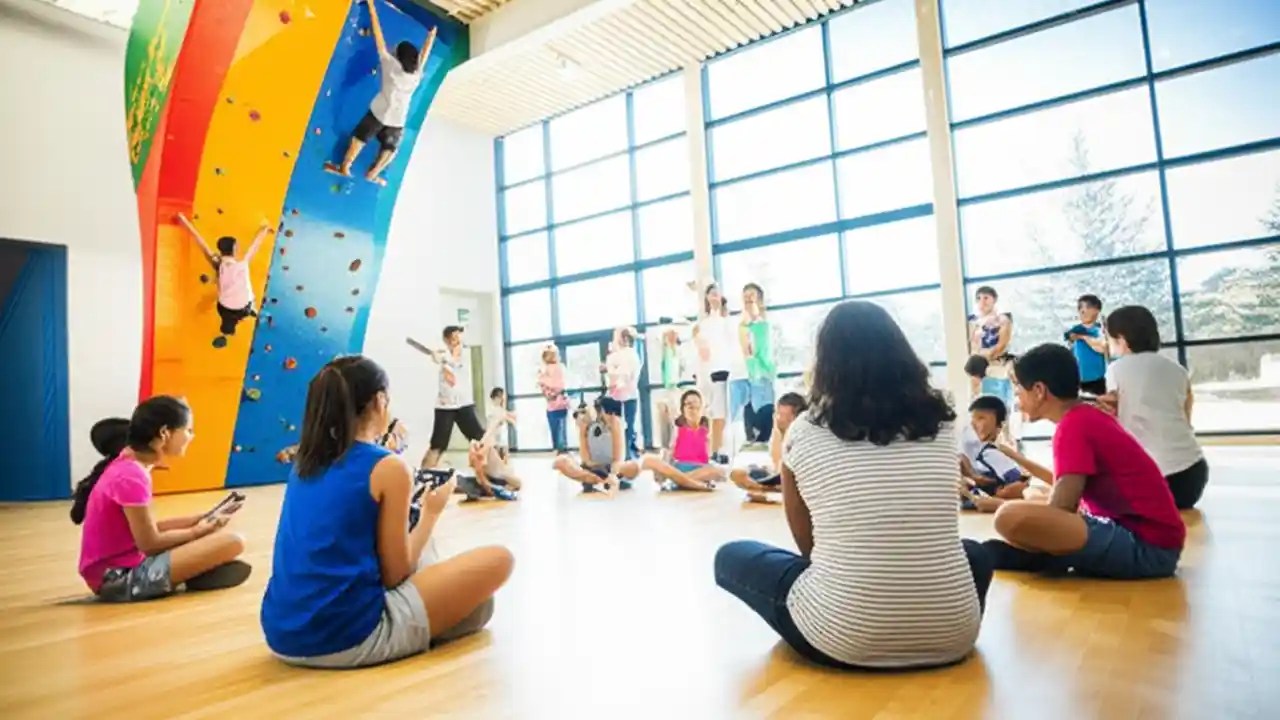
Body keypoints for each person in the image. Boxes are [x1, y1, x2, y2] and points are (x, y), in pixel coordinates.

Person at [714, 300, 992, 670]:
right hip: (957, 634)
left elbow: (808, 546)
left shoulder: (807, 428)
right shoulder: (942, 418)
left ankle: (853, 610)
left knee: (730, 557)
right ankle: (928, 617)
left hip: (843, 639)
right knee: (975, 552)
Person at [261, 355, 514, 668]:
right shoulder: (387, 466)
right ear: (380, 401)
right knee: (500, 561)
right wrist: (432, 512)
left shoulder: (305, 462)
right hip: (344, 638)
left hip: (281, 633)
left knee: (476, 602)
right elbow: (396, 575)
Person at [982, 344, 1186, 579]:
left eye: (1018, 391)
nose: (1017, 401)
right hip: (1154, 543)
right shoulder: (1084, 417)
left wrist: (997, 505)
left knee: (1008, 517)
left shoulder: (1074, 426)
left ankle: (1046, 558)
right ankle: (1048, 557)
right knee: (1033, 498)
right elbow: (1063, 485)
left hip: (1149, 548)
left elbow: (1061, 508)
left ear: (1039, 390)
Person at [74, 399, 250, 602]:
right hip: (117, 579)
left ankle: (185, 574)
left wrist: (199, 519)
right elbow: (150, 543)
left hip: (109, 572)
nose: (191, 436)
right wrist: (197, 531)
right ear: (165, 433)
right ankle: (185, 576)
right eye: (188, 430)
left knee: (207, 539)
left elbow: (149, 529)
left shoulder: (127, 464)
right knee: (234, 542)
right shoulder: (132, 476)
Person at [1097, 305, 1208, 510]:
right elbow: (1186, 417)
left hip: (1155, 482)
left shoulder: (1116, 369)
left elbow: (1115, 418)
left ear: (1121, 339)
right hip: (1193, 476)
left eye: (1109, 338)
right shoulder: (1178, 370)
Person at [325, 0, 436, 186]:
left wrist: (371, 6)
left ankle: (345, 166)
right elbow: (424, 56)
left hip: (379, 112)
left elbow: (378, 36)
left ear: (398, 56)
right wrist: (431, 38)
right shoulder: (416, 74)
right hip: (397, 120)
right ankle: (374, 172)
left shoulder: (389, 64)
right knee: (390, 149)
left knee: (360, 138)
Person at [175, 213, 270, 340]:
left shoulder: (217, 263)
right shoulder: (242, 265)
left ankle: (234, 322)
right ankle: (245, 314)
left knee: (238, 306)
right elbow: (255, 246)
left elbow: (201, 241)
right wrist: (264, 229)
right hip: (229, 308)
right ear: (235, 249)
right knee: (247, 298)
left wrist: (184, 221)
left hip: (231, 308)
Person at [958, 396, 1053, 513]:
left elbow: (1017, 482)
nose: (973, 424)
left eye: (981, 418)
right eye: (973, 419)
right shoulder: (973, 449)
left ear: (999, 425)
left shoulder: (997, 452)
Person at [410, 326, 486, 470]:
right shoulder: (442, 353)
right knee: (438, 446)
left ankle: (495, 475)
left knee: (481, 439)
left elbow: (454, 368)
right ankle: (422, 478)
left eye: (459, 338)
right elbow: (445, 368)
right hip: (445, 406)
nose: (458, 341)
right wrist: (439, 358)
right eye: (454, 338)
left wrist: (444, 359)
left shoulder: (465, 353)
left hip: (464, 404)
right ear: (446, 340)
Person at [551, 397, 640, 495]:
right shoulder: (589, 426)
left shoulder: (616, 424)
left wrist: (613, 474)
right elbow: (585, 459)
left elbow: (618, 459)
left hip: (612, 468)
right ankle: (598, 482)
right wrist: (583, 430)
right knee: (560, 461)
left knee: (634, 467)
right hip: (592, 469)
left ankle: (602, 482)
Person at [730, 392, 806, 504]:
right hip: (777, 476)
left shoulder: (803, 435)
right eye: (778, 414)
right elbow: (776, 461)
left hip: (794, 478)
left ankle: (768, 492)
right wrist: (777, 429)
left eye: (785, 416)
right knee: (736, 474)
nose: (780, 419)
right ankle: (769, 490)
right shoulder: (780, 430)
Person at [641, 390, 724, 491]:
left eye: (697, 405)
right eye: (689, 405)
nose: (693, 410)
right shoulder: (676, 428)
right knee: (652, 462)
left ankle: (681, 482)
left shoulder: (708, 429)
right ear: (683, 409)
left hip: (700, 470)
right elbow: (662, 408)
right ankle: (689, 482)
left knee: (718, 471)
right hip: (677, 469)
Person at [694, 283, 741, 464]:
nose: (714, 297)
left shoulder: (728, 321)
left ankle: (720, 449)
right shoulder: (704, 324)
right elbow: (701, 350)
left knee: (724, 412)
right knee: (715, 411)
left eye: (716, 294)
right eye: (710, 294)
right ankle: (714, 449)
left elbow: (733, 346)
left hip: (727, 370)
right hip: (711, 371)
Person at [740, 283, 777, 446]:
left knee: (765, 430)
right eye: (745, 297)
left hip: (763, 379)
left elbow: (759, 353)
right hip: (748, 381)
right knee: (751, 432)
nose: (748, 300)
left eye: (752, 296)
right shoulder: (743, 327)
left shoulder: (764, 326)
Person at [603, 327, 642, 460]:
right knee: (626, 427)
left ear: (624, 339)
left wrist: (609, 369)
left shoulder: (627, 355)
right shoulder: (626, 355)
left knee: (623, 427)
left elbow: (622, 375)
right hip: (624, 396)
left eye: (616, 337)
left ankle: (626, 457)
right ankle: (626, 456)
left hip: (624, 397)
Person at [1065, 294, 1108, 396]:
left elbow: (1102, 347)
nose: (1083, 311)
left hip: (1098, 380)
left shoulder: (1099, 330)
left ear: (1097, 310)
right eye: (1080, 308)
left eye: (1088, 307)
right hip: (1078, 381)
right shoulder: (1074, 330)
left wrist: (1082, 337)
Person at [537, 345, 569, 452]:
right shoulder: (548, 369)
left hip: (557, 404)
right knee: (559, 429)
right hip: (556, 404)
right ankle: (560, 450)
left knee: (557, 429)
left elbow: (557, 385)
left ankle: (560, 450)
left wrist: (549, 390)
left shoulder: (555, 369)